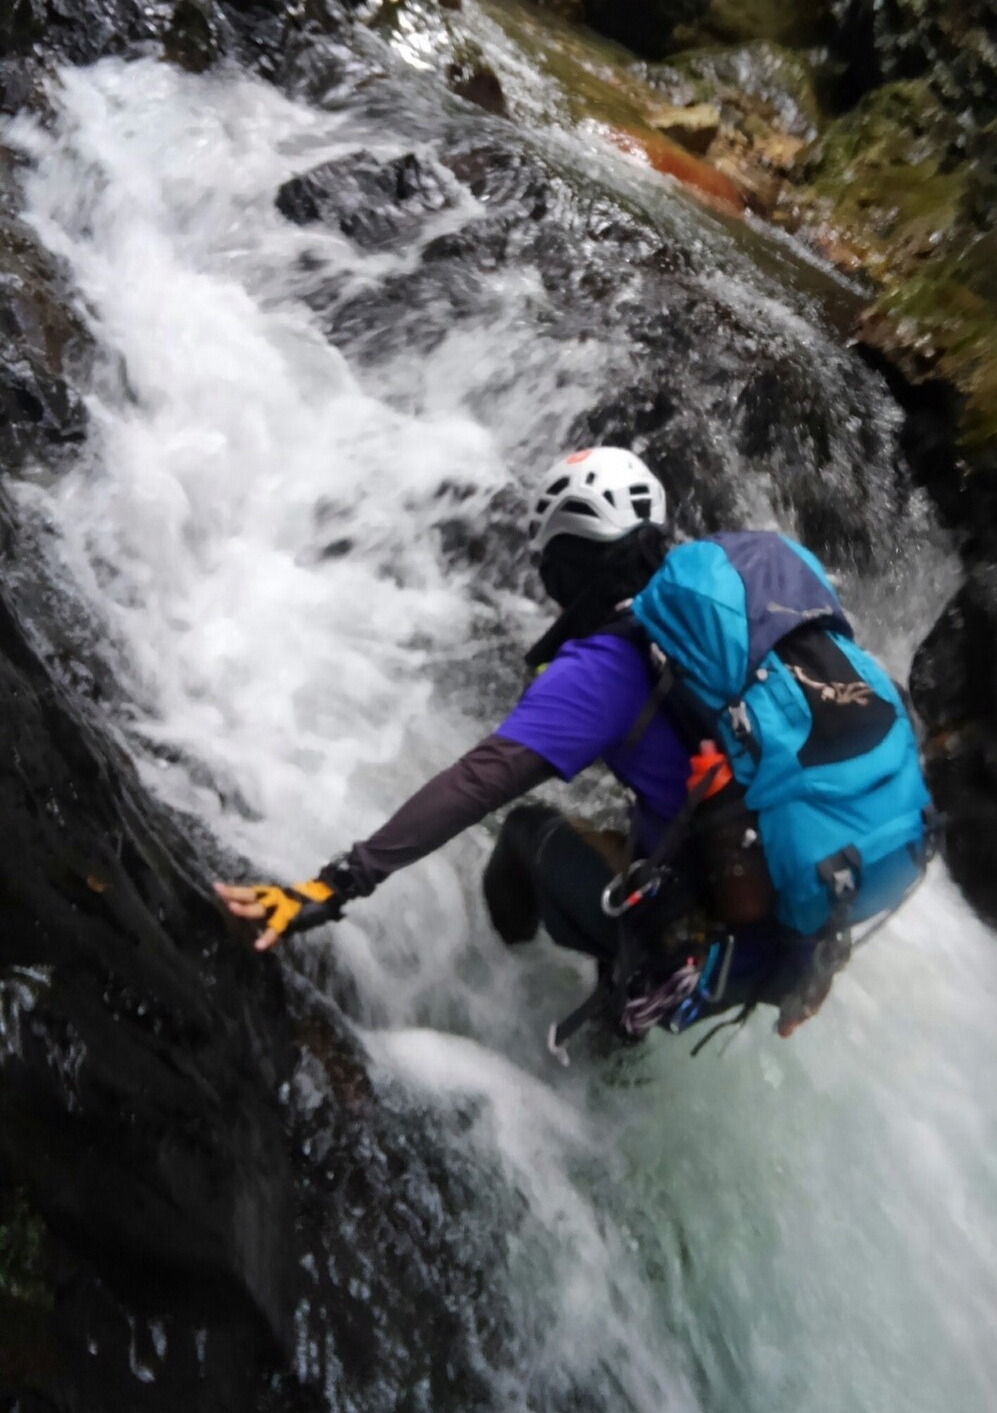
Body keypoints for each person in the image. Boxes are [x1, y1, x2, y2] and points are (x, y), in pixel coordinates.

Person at [216, 446, 931, 1053]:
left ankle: (528, 1012)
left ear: (568, 565)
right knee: (633, 836)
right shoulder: (755, 601)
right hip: (809, 928)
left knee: (525, 836)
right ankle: (628, 1016)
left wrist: (337, 882)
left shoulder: (607, 663)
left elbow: (482, 779)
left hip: (709, 960)